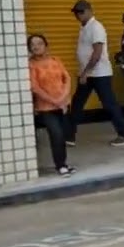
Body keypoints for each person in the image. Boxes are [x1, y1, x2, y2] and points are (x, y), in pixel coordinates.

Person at [66, 0, 124, 147]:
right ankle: (69, 136)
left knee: (110, 105)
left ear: (90, 11)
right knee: (77, 104)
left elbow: (97, 53)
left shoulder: (96, 27)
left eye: (81, 12)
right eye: (76, 12)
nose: (78, 15)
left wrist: (85, 73)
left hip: (99, 74)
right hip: (87, 74)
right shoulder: (84, 28)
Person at [27, 34, 75, 176]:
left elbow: (66, 78)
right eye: (33, 44)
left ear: (46, 45)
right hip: (46, 108)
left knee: (63, 135)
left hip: (63, 105)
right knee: (56, 135)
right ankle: (60, 165)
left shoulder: (55, 60)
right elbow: (35, 87)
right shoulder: (31, 65)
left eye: (40, 43)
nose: (36, 47)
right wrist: (55, 101)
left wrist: (64, 97)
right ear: (29, 48)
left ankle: (64, 164)